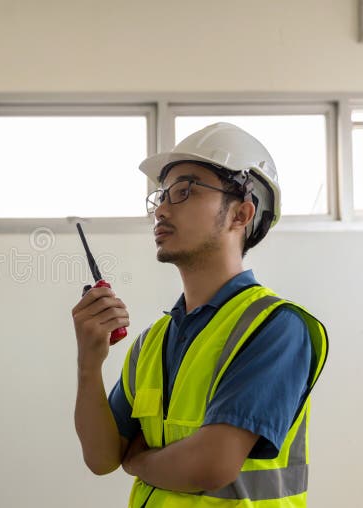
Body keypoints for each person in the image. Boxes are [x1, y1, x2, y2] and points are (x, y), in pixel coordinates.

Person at [72, 123, 328, 507]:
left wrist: (139, 461)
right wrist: (89, 365)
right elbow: (102, 458)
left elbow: (212, 464)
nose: (160, 209)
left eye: (183, 191)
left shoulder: (276, 328)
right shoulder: (152, 342)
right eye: (160, 196)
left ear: (240, 214)